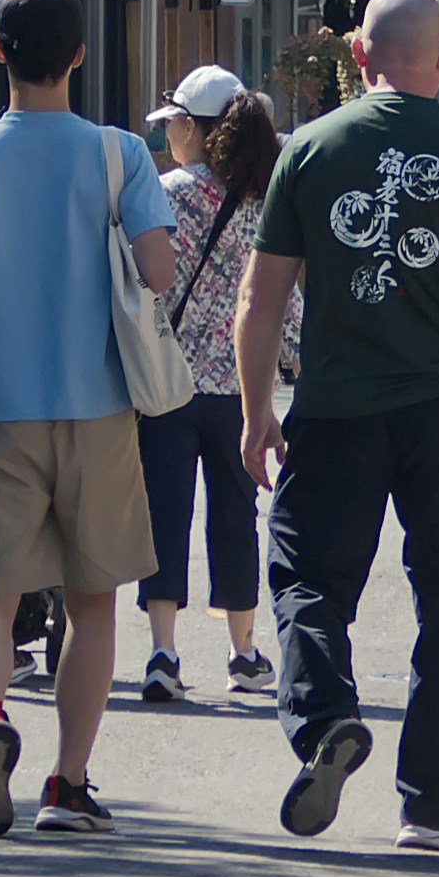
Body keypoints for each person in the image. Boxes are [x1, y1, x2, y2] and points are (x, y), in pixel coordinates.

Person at [237, 0, 439, 852]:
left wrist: (255, 410)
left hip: (336, 410)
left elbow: (261, 301)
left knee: (307, 578)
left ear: (358, 56)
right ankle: (433, 808)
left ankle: (326, 718)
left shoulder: (306, 150)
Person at [0, 0, 180, 838]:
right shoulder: (119, 154)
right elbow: (160, 270)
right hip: (99, 402)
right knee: (92, 599)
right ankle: (67, 785)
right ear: (80, 56)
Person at [138, 65, 277, 701]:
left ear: (193, 128)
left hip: (163, 383)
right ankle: (243, 653)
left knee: (164, 511)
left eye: (170, 125)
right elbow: (281, 301)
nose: (167, 136)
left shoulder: (164, 194)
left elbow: (137, 282)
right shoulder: (263, 202)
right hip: (237, 386)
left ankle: (164, 652)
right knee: (235, 515)